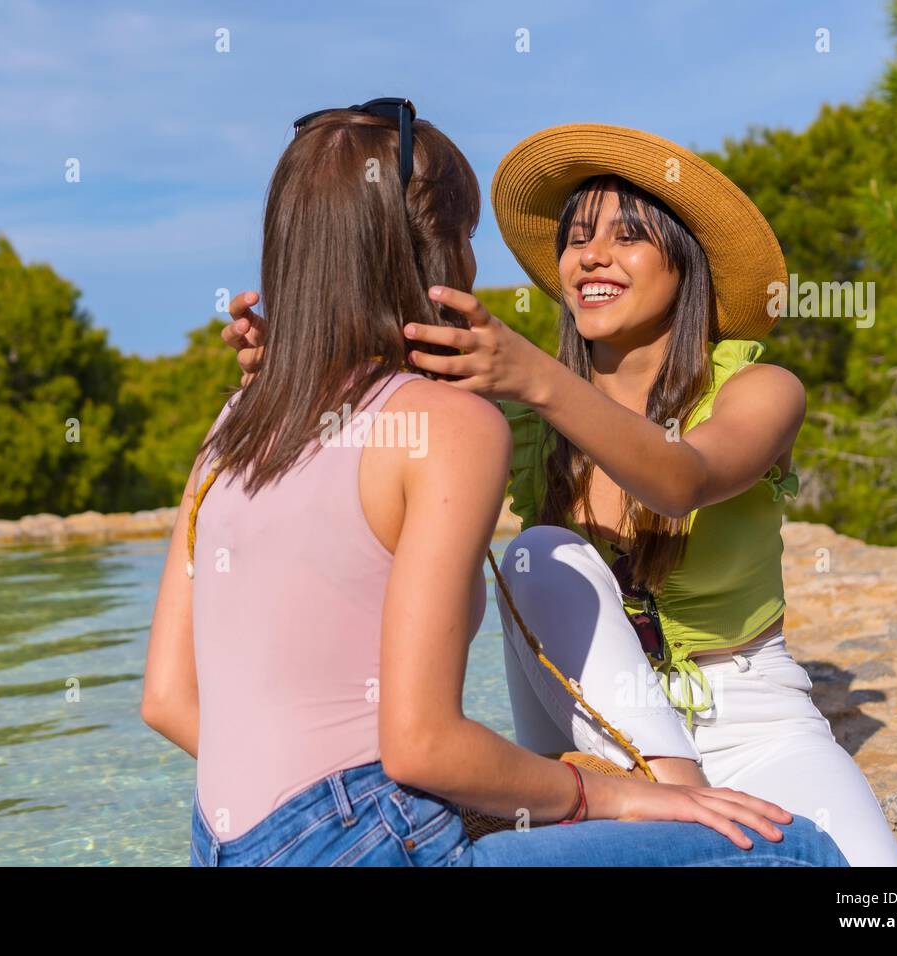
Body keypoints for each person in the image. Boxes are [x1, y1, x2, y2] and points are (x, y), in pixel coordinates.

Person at [147, 100, 847, 867]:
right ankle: (677, 801)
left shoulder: (234, 427)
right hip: (406, 820)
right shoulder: (473, 420)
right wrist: (609, 795)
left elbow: (167, 701)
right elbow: (418, 746)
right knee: (802, 853)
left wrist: (304, 365)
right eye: (575, 238)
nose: (589, 257)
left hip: (233, 843)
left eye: (628, 236)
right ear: (436, 248)